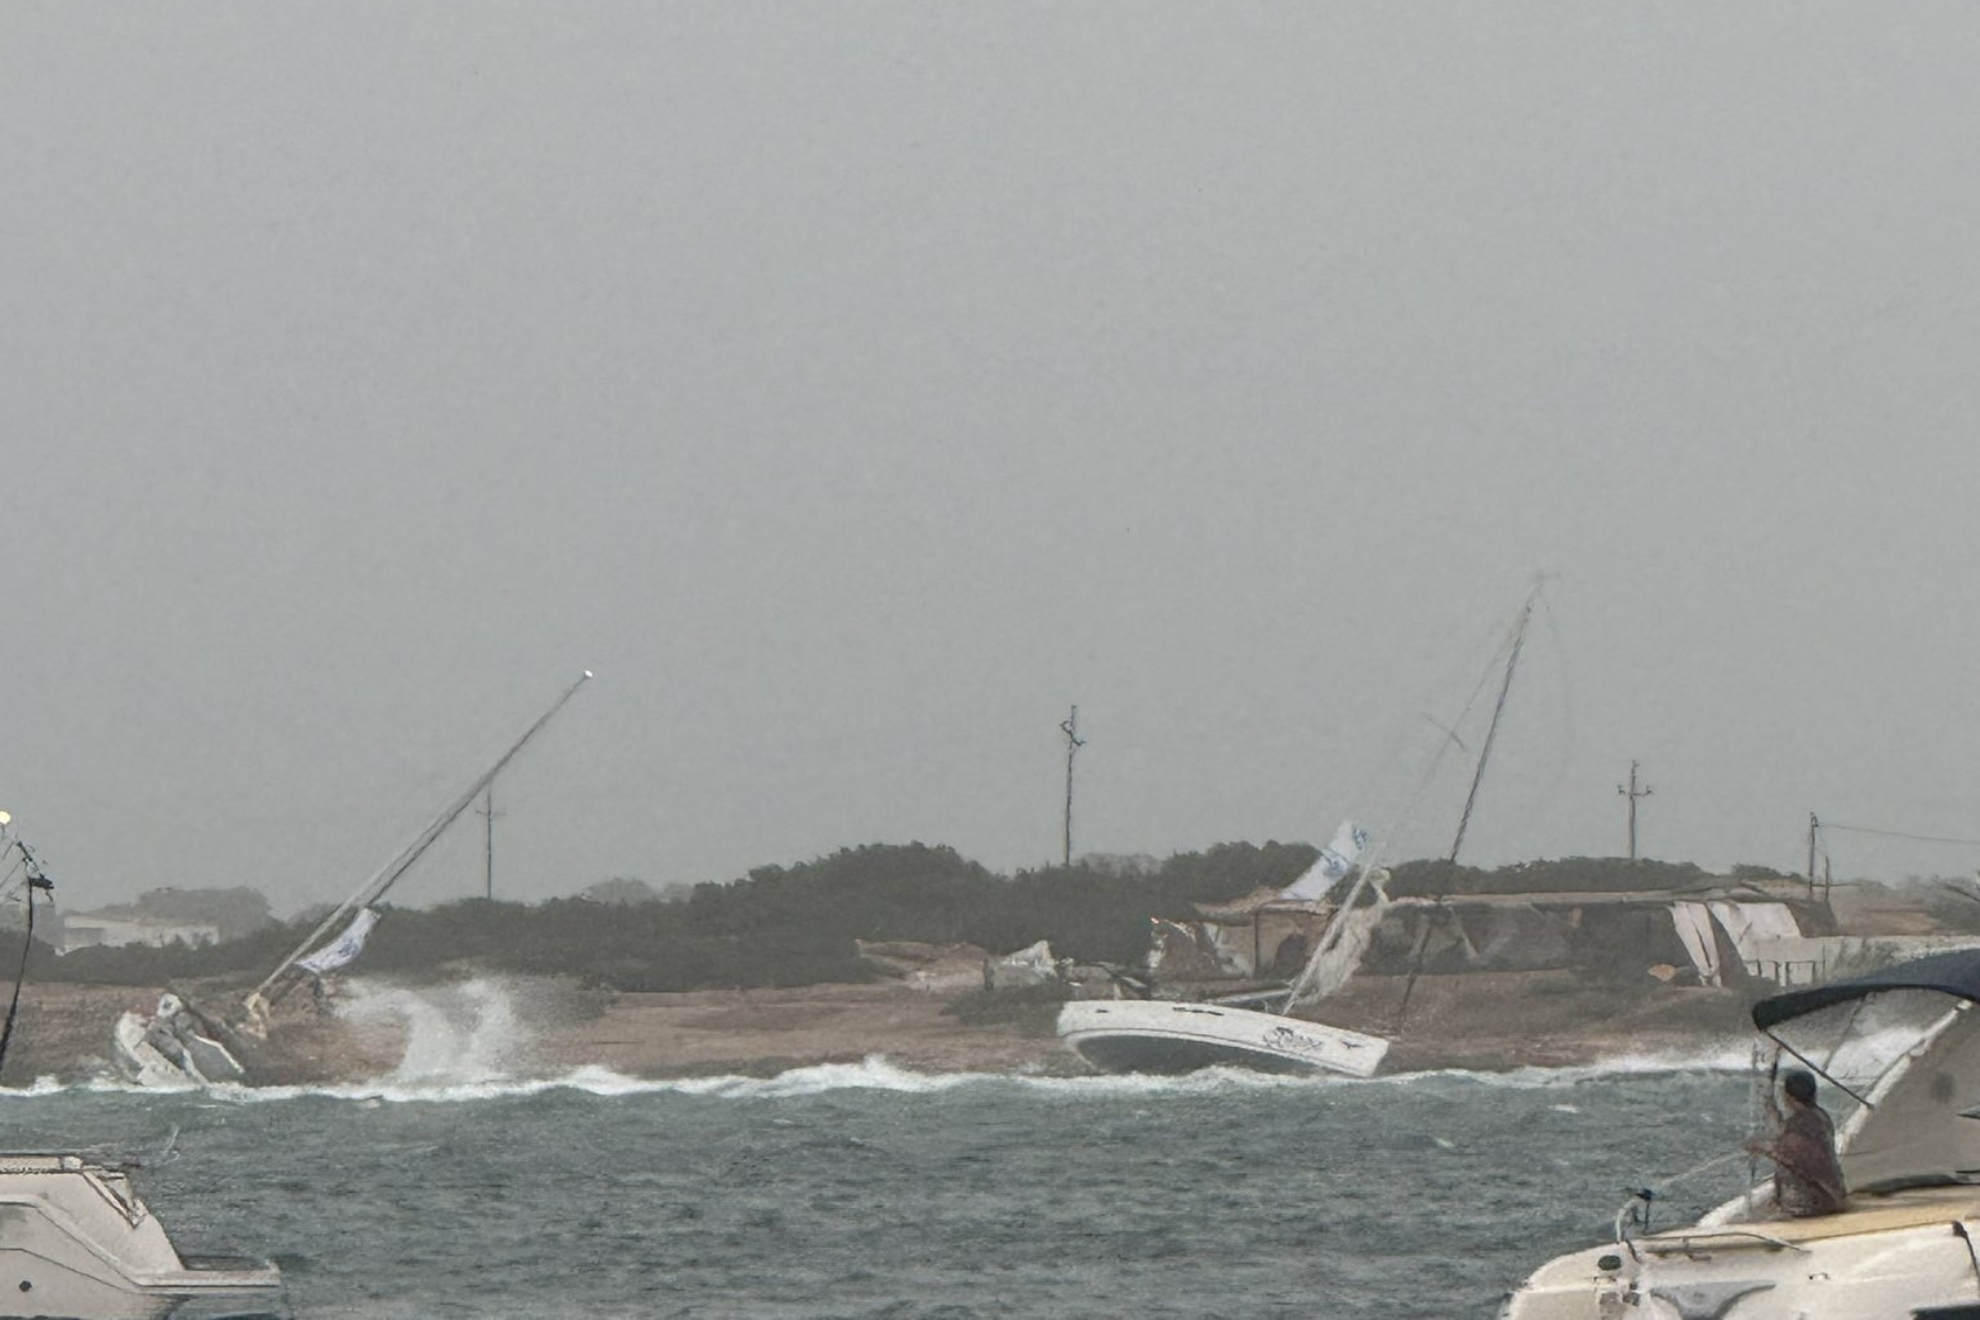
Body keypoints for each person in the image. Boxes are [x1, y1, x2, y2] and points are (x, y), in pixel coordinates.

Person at [1745, 1067, 1847, 1217]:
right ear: (1815, 1094)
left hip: (1811, 1206)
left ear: (1788, 1097)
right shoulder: (1820, 1116)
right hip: (1831, 1197)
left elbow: (1787, 1152)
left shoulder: (1799, 1125)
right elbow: (1779, 1129)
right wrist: (1769, 1098)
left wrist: (1757, 1146)